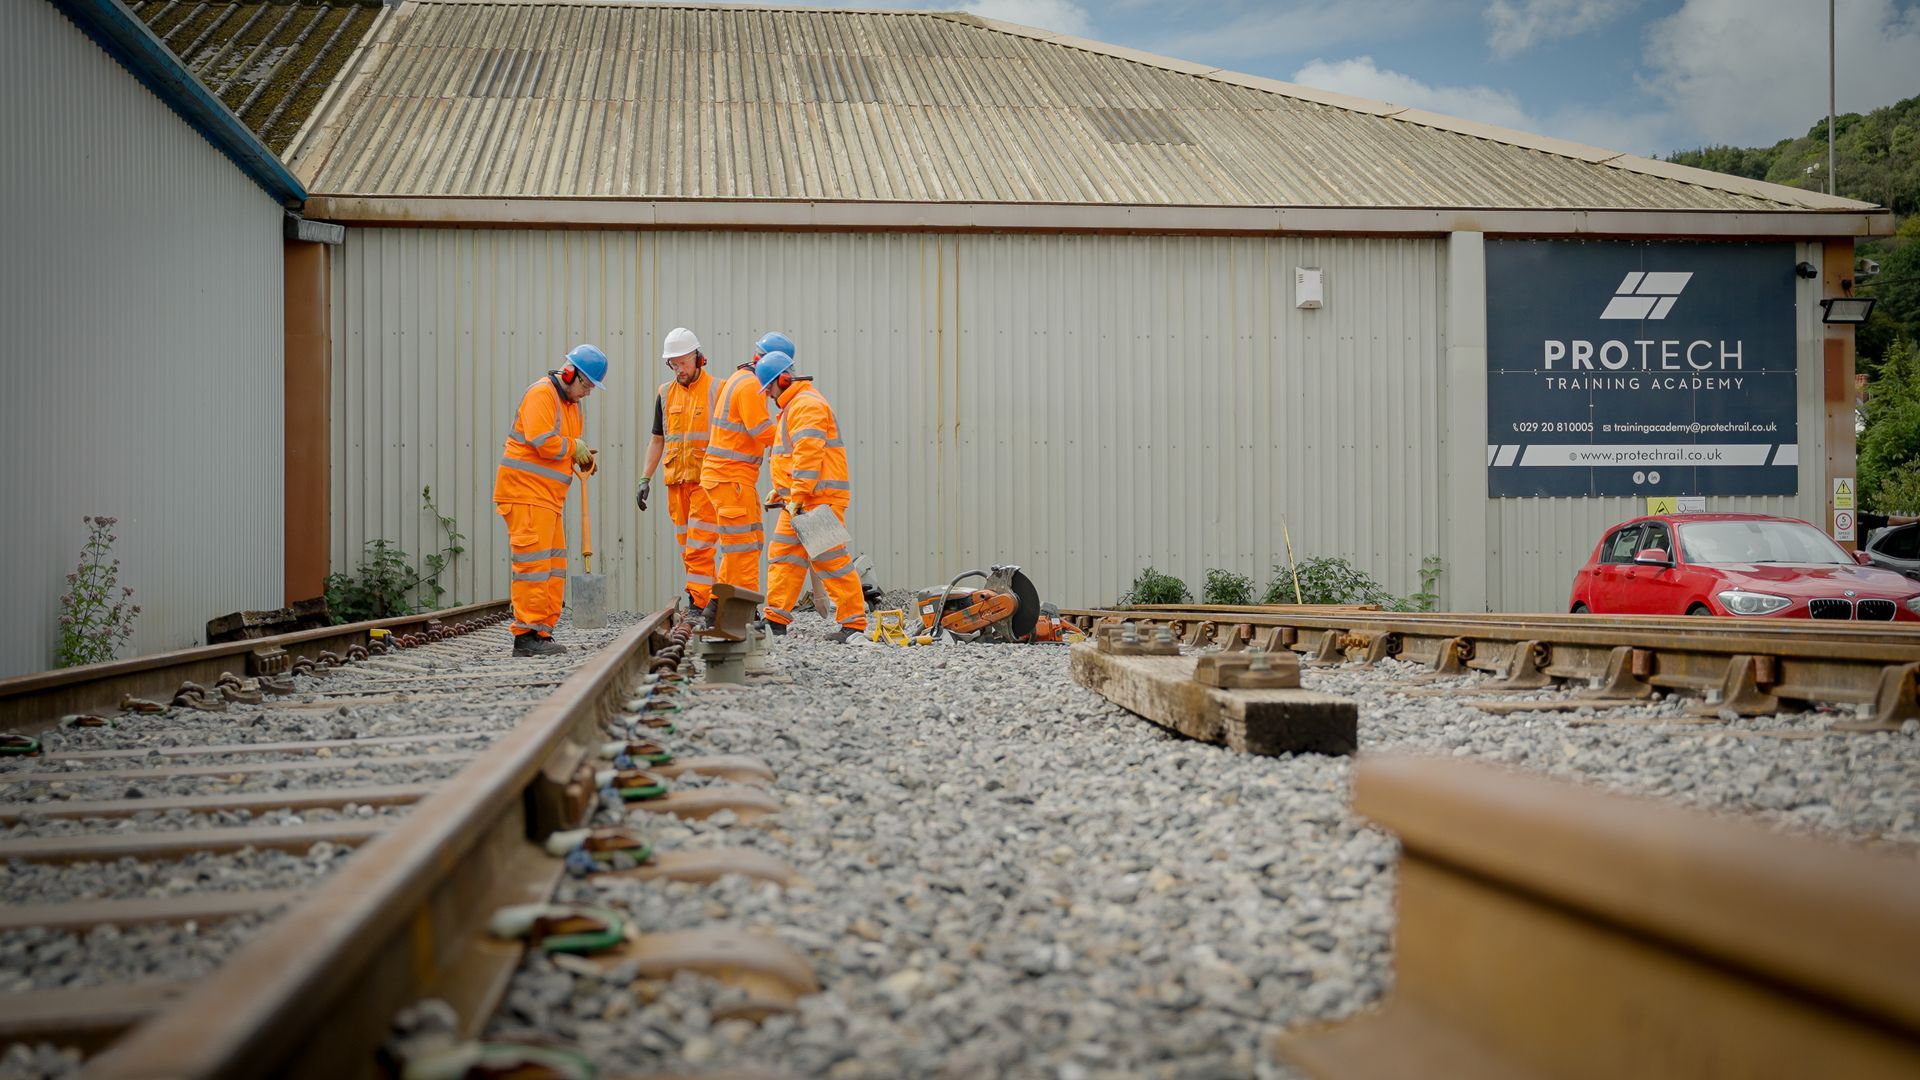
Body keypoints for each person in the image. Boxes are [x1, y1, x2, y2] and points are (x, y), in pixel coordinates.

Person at [493, 343, 605, 656]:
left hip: (549, 498)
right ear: (570, 373)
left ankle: (542, 632)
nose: (588, 393)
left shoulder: (573, 405)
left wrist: (583, 459)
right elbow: (543, 441)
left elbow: (566, 448)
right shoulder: (541, 394)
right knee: (534, 566)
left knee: (553, 567)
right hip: (525, 493)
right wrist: (574, 447)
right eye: (586, 385)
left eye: (592, 388)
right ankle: (525, 636)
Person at [756, 350, 870, 643]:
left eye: (769, 387)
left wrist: (798, 493)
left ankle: (854, 623)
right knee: (783, 557)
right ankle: (774, 620)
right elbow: (791, 456)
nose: (768, 394)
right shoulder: (795, 406)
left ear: (783, 379)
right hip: (797, 501)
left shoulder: (806, 405)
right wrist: (781, 490)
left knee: (830, 561)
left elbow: (808, 454)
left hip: (814, 500)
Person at [696, 331, 784, 619]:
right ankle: (744, 612)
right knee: (743, 548)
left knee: (747, 543)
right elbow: (762, 431)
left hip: (729, 478)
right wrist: (791, 435)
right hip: (730, 478)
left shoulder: (740, 379)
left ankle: (716, 606)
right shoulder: (750, 386)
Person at [638, 327, 718, 616]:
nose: (679, 369)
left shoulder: (716, 390)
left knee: (699, 547)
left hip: (706, 481)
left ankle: (699, 603)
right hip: (676, 483)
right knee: (688, 548)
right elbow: (658, 439)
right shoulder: (664, 393)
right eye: (674, 363)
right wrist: (645, 478)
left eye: (684, 362)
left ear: (698, 358)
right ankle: (713, 599)